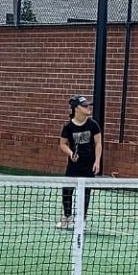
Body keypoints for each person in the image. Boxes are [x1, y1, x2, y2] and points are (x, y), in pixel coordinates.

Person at [58, 95, 101, 230]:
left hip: (88, 166)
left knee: (86, 193)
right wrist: (71, 154)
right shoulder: (68, 126)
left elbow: (98, 143)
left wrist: (97, 161)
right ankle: (67, 217)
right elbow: (63, 144)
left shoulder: (93, 124)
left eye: (88, 105)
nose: (88, 108)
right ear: (76, 108)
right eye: (85, 106)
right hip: (73, 167)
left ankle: (82, 220)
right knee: (67, 191)